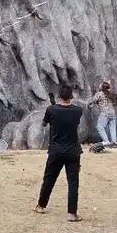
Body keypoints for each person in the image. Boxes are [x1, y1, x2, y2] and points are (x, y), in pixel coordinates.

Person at [35, 84, 83, 222]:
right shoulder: (78, 110)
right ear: (71, 96)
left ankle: (41, 206)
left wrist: (52, 115)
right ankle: (72, 214)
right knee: (73, 183)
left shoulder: (51, 110)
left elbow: (44, 124)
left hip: (55, 150)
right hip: (73, 151)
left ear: (59, 96)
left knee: (49, 179)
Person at [89, 80, 117, 147]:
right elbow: (114, 102)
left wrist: (88, 105)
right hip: (113, 113)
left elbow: (92, 101)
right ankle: (114, 143)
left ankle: (106, 141)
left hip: (105, 113)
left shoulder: (99, 94)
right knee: (112, 128)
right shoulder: (110, 94)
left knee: (99, 126)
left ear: (101, 87)